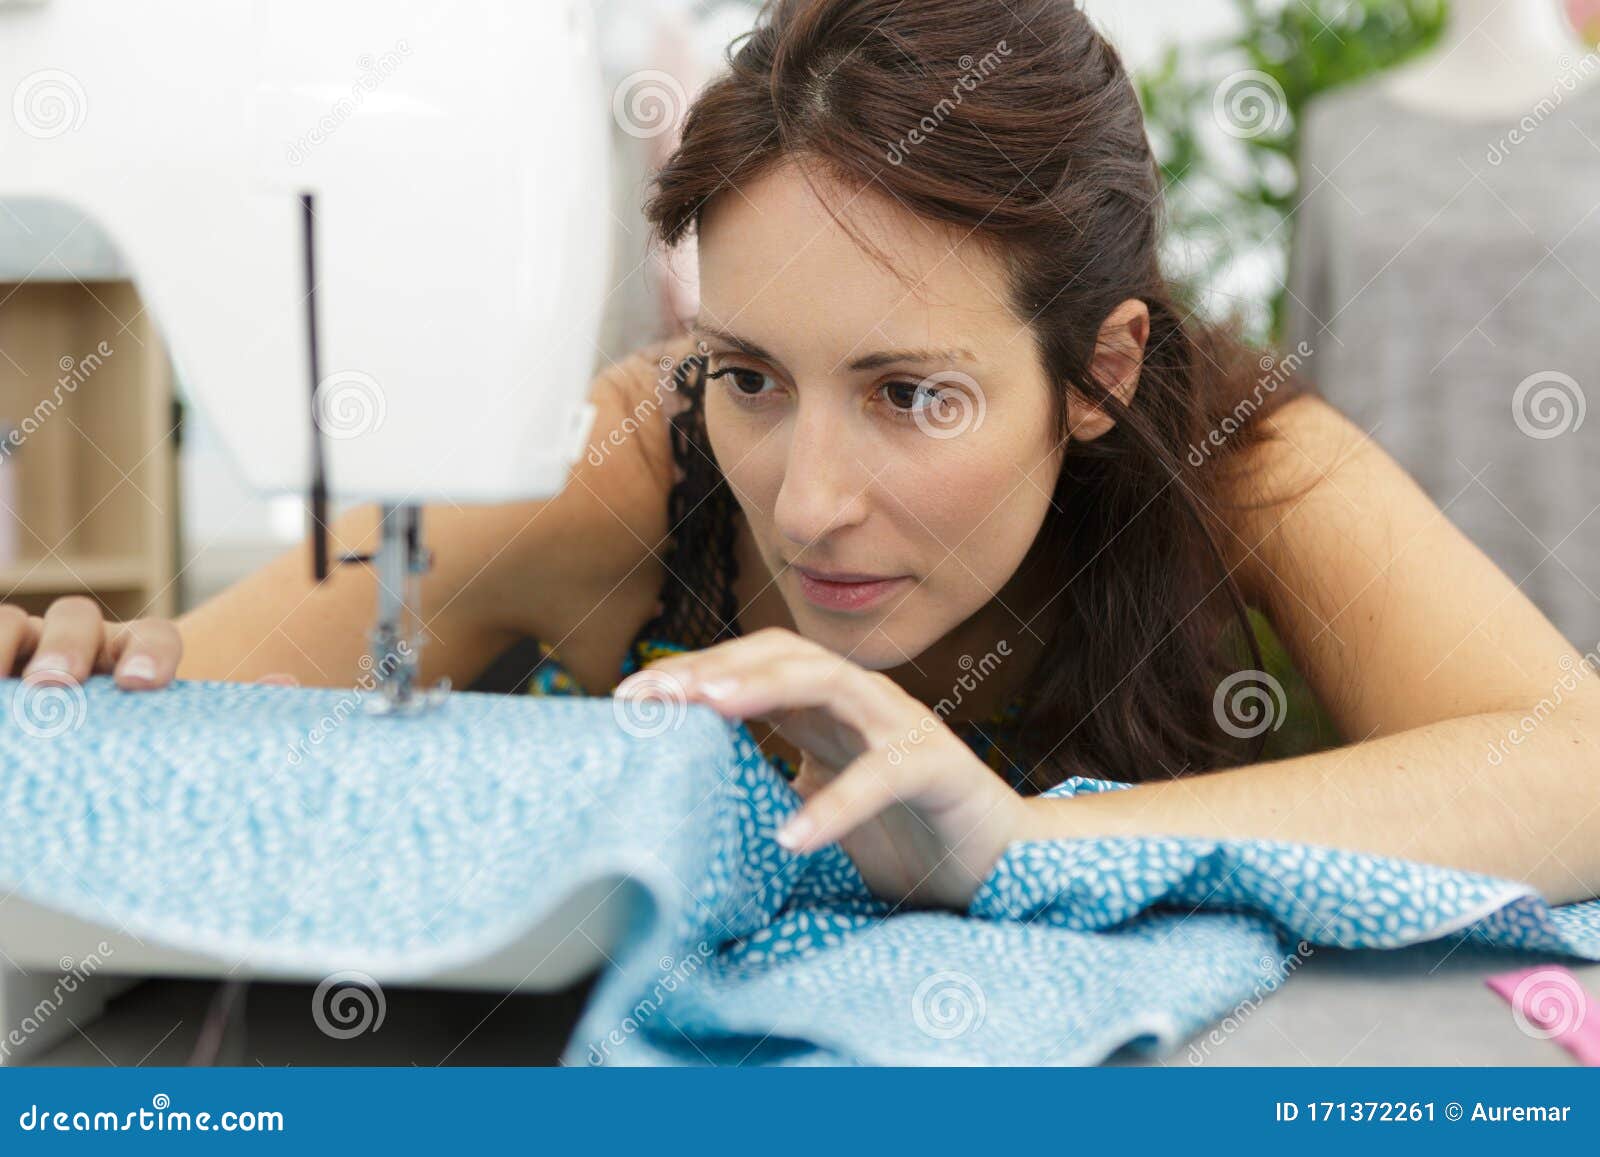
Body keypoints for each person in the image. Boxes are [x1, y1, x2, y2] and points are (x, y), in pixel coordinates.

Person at [7, 0, 1599, 913]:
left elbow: (1574, 767)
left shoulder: (1237, 460)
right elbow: (175, 733)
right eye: (749, 375)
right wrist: (82, 690)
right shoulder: (626, 464)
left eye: (911, 393)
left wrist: (1026, 840)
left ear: (1097, 372)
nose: (807, 497)